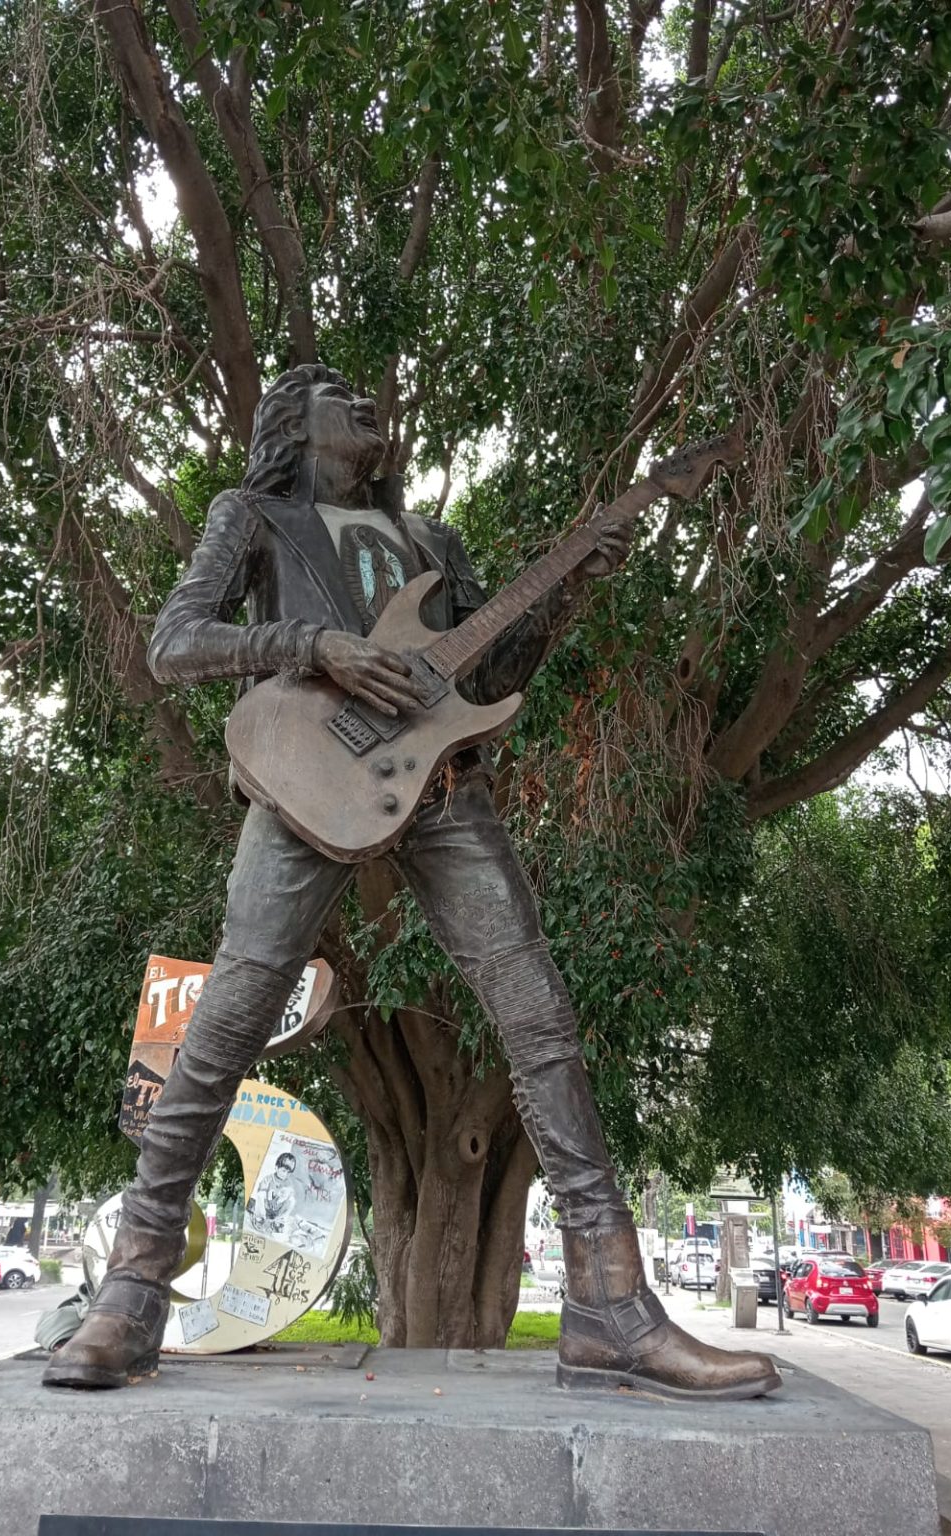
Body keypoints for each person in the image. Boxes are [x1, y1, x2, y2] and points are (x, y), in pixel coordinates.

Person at [43, 364, 780, 1400]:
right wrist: (315, 646)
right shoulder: (251, 514)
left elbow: (487, 669)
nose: (365, 402)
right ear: (294, 424)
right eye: (339, 392)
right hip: (305, 781)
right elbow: (175, 643)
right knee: (229, 1016)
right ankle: (131, 1293)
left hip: (441, 789)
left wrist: (578, 577)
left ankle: (610, 1305)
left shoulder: (434, 544)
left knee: (539, 1016)